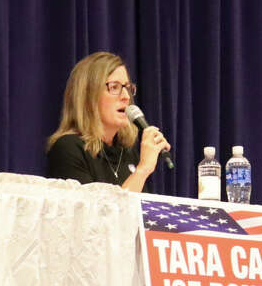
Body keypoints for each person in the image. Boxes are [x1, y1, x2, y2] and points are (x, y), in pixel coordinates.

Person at [46, 52, 170, 192]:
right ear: (88, 96)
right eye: (114, 87)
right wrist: (142, 170)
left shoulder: (127, 152)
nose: (125, 97)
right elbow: (98, 212)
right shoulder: (68, 148)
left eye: (127, 88)